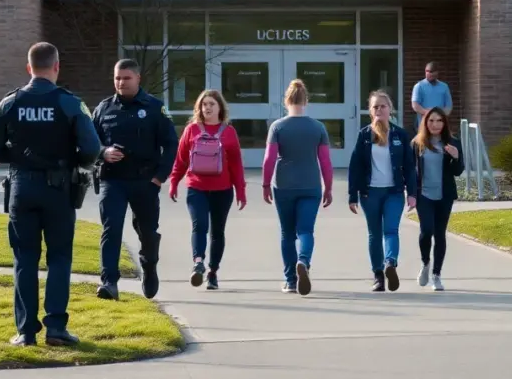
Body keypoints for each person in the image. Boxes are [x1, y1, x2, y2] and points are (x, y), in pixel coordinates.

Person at [0, 41, 102, 346]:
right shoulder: (70, 103)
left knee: (25, 259)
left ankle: (25, 331)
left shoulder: (9, 103)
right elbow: (91, 150)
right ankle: (56, 328)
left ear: (29, 68)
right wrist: (68, 160)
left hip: (21, 188)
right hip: (59, 189)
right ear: (57, 66)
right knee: (60, 257)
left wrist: (23, 158)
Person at [92, 58, 178, 301]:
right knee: (111, 229)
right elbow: (89, 141)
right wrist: (103, 153)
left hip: (145, 182)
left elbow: (171, 144)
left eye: (126, 78)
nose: (121, 82)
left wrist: (161, 177)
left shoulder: (154, 107)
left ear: (138, 79)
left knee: (147, 232)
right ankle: (109, 282)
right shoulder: (103, 108)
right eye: (117, 78)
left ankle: (149, 267)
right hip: (113, 180)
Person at [168, 89, 247, 290]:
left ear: (220, 107)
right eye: (204, 104)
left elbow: (236, 164)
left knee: (217, 232)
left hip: (222, 189)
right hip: (197, 188)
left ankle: (213, 272)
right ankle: (198, 263)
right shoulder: (191, 130)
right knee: (199, 225)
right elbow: (181, 159)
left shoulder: (229, 132)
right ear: (199, 108)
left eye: (212, 104)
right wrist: (174, 181)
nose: (208, 108)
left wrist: (241, 191)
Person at [262, 79, 334, 296]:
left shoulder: (278, 127)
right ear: (306, 100)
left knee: (287, 234)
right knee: (305, 230)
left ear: (286, 101)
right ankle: (303, 261)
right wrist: (328, 187)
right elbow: (325, 161)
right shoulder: (318, 127)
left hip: (284, 185)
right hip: (310, 184)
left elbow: (269, 159)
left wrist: (266, 184)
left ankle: (290, 280)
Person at [347, 90, 417, 292]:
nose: (379, 109)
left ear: (390, 110)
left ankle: (390, 264)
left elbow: (409, 166)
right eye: (375, 106)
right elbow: (356, 167)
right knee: (374, 234)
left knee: (391, 230)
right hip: (370, 193)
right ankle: (378, 276)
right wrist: (352, 195)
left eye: (382, 106)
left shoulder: (400, 135)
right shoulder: (364, 136)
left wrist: (412, 193)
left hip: (394, 192)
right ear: (370, 111)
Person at [412, 106, 464, 291]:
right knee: (426, 230)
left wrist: (456, 158)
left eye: (439, 121)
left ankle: (436, 274)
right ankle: (425, 263)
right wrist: (410, 193)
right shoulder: (417, 143)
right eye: (431, 121)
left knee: (440, 234)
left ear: (444, 123)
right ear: (425, 123)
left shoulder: (453, 143)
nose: (435, 124)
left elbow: (458, 171)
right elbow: (410, 171)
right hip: (423, 194)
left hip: (444, 195)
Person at [410, 62, 453, 132]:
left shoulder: (444, 87)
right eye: (427, 72)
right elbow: (415, 105)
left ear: (437, 73)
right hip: (424, 124)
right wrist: (429, 113)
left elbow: (448, 106)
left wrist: (439, 116)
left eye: (432, 73)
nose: (429, 74)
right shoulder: (419, 86)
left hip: (440, 125)